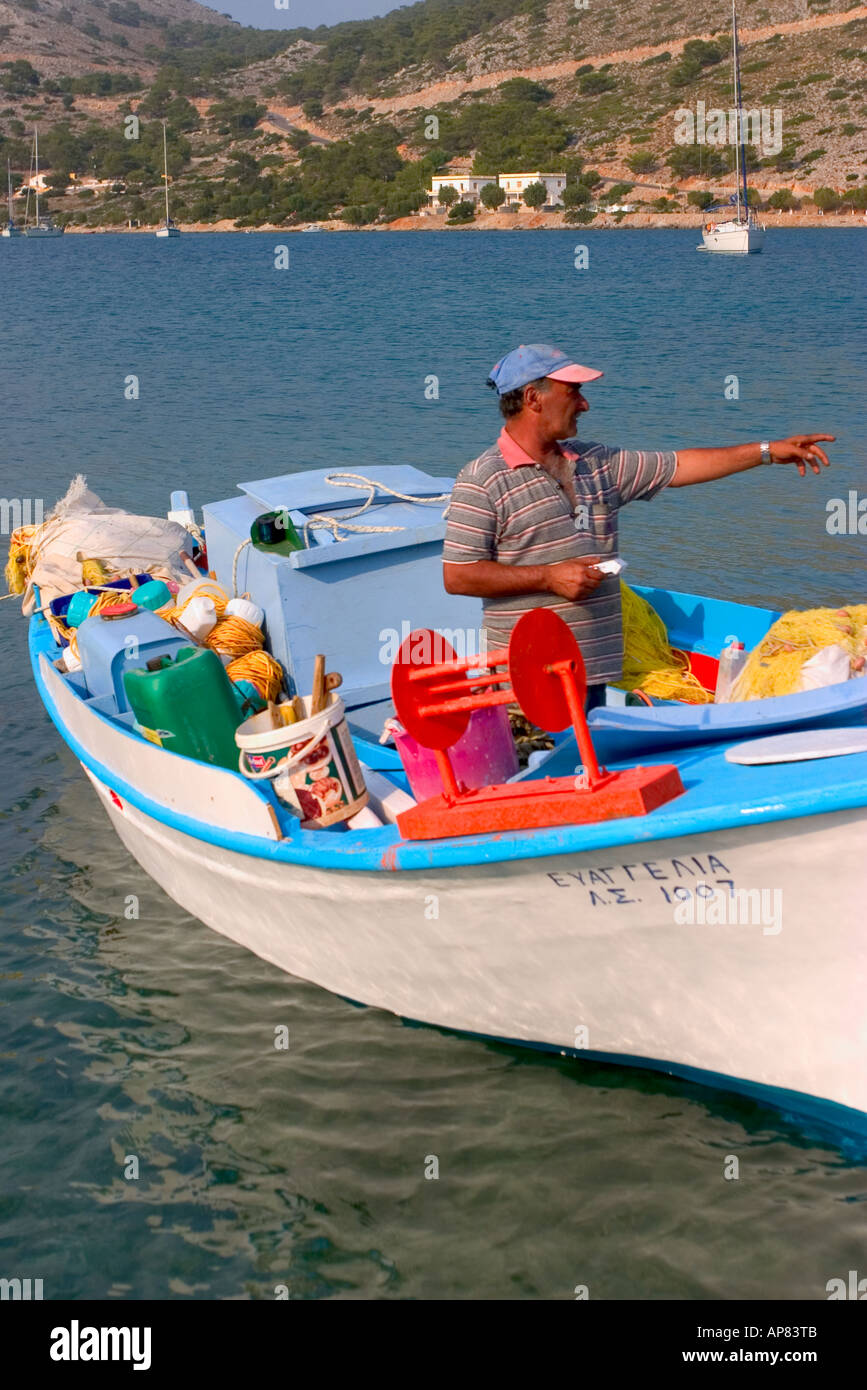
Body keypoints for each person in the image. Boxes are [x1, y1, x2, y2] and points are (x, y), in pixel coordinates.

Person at [442, 343, 834, 709]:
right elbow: (459, 576)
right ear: (533, 399)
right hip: (525, 679)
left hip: (591, 670)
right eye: (573, 392)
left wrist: (767, 452)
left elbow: (682, 466)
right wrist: (549, 577)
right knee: (538, 770)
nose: (585, 404)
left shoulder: (597, 462)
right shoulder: (482, 480)